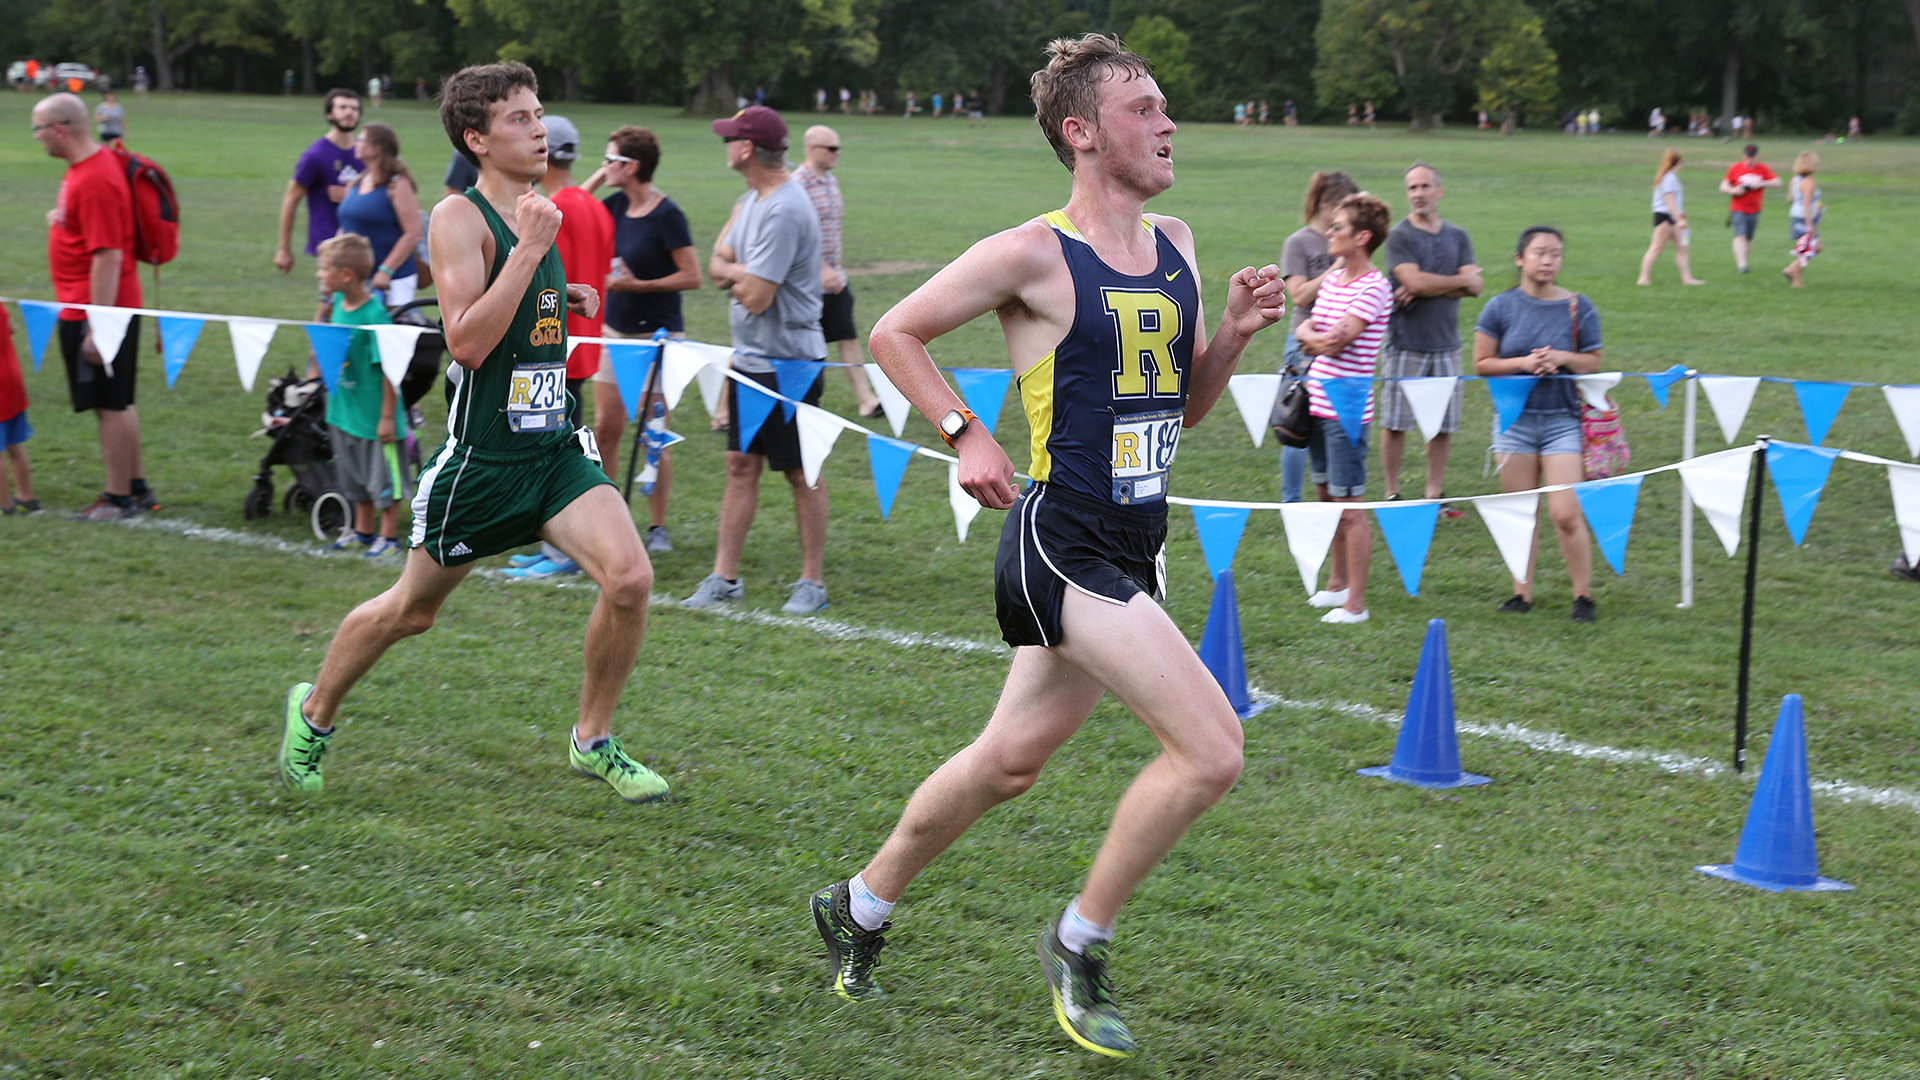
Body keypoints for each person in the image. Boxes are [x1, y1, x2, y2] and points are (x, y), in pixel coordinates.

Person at [808, 35, 1284, 1058]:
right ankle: (1080, 943)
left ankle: (858, 904)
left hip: (1136, 540)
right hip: (1061, 539)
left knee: (1007, 762)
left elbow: (1187, 412)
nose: (1168, 124)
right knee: (1211, 751)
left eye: (1165, 107)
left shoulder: (1180, 242)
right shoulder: (1032, 251)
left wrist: (1235, 332)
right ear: (1081, 132)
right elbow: (896, 331)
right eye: (1144, 108)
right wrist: (962, 432)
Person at [274, 61, 669, 805]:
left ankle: (593, 740)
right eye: (520, 117)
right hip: (483, 464)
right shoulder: (460, 216)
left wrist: (561, 289)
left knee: (629, 579)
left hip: (552, 448)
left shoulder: (534, 208)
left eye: (540, 111)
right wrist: (528, 253)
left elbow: (518, 313)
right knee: (411, 612)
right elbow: (466, 342)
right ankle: (314, 712)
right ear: (477, 137)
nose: (540, 127)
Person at [680, 105, 831, 616]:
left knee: (800, 471)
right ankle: (725, 578)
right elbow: (715, 264)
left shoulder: (786, 208)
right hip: (749, 361)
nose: (724, 145)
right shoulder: (750, 200)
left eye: (730, 138)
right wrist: (739, 272)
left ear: (746, 148)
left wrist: (736, 273)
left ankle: (812, 583)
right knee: (739, 465)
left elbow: (759, 296)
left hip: (790, 365)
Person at [503, 115, 621, 578]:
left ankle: (565, 552)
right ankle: (553, 544)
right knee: (556, 445)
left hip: (552, 346)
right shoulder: (595, 206)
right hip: (584, 346)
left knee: (554, 453)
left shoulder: (550, 211)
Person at [32, 92, 155, 521]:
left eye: (39, 129)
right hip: (98, 308)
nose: (37, 138)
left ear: (59, 129)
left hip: (100, 310)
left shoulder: (95, 179)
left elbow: (108, 256)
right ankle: (136, 488)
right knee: (117, 400)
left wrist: (96, 326)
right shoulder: (86, 170)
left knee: (109, 405)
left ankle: (116, 498)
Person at [579, 124, 702, 552]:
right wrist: (600, 175)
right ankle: (611, 519)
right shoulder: (611, 205)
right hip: (612, 334)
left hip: (659, 339)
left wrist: (638, 287)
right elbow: (570, 207)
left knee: (653, 434)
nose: (604, 166)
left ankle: (657, 526)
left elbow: (692, 276)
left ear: (632, 167)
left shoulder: (667, 215)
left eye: (611, 160)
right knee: (605, 429)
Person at [1472, 225, 1601, 622]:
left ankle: (1583, 596)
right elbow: (1482, 363)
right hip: (1515, 424)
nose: (1548, 260)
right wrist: (1524, 364)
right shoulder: (1500, 307)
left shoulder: (1580, 307)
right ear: (1520, 259)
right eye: (1540, 252)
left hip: (1563, 420)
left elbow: (1593, 361)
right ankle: (1521, 594)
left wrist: (1560, 357)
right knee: (1521, 512)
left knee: (1565, 512)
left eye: (1555, 254)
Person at [1296, 192, 1393, 624]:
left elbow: (1336, 339)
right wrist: (1317, 336)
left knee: (1350, 506)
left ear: (1363, 238)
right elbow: (1310, 328)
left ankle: (1357, 603)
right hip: (1316, 400)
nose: (1330, 233)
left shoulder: (1375, 286)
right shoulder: (1335, 280)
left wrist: (1315, 337)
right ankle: (1337, 585)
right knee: (1325, 495)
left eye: (1339, 228)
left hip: (1347, 407)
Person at [1378, 162, 1479, 508]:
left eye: (1425, 186)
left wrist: (1425, 286)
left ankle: (1434, 493)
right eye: (1412, 188)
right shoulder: (1400, 236)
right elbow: (1414, 281)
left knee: (1443, 424)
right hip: (1405, 342)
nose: (1419, 194)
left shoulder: (1458, 236)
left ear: (1439, 190)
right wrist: (1452, 282)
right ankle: (1392, 492)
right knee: (1395, 422)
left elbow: (1476, 286)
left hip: (1447, 344)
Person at [314, 234, 403, 557]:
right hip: (344, 410)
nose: (319, 275)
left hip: (374, 414)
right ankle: (363, 533)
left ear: (346, 275)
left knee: (383, 479)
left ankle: (389, 538)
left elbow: (389, 370)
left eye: (324, 269)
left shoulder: (374, 316)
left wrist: (387, 417)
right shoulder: (337, 304)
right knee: (354, 478)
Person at [1277, 169, 1360, 503]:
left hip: (1342, 347)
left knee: (1334, 427)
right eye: (1344, 206)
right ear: (1327, 203)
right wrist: (1335, 268)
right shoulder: (1299, 243)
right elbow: (1298, 295)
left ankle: (1329, 496)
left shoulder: (1349, 241)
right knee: (1297, 427)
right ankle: (1291, 502)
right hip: (1304, 348)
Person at [796, 125, 883, 418]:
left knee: (847, 336)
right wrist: (820, 268)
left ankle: (866, 399)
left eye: (838, 148)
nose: (837, 153)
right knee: (783, 347)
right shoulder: (798, 185)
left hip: (834, 280)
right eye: (831, 148)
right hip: (805, 284)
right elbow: (799, 235)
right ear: (811, 149)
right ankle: (724, 410)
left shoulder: (829, 181)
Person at [275, 88, 363, 319]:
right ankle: (318, 355)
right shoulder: (315, 155)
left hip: (362, 244)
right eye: (343, 107)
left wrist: (351, 194)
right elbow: (291, 198)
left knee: (358, 306)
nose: (349, 113)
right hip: (329, 245)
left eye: (354, 108)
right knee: (329, 305)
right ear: (330, 115)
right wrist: (284, 248)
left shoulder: (365, 152)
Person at [336, 122, 423, 308]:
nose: (356, 143)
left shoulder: (397, 185)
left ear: (377, 149)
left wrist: (386, 270)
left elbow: (413, 232)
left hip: (392, 281)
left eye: (361, 139)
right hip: (355, 278)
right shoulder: (356, 184)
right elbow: (345, 227)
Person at [1637, 149, 1705, 286]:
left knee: (1682, 248)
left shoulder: (1670, 177)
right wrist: (1679, 220)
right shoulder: (1669, 178)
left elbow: (1673, 201)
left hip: (1671, 216)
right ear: (1678, 162)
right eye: (1682, 161)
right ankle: (1643, 279)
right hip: (1665, 217)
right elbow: (1669, 199)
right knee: (1656, 248)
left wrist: (1680, 214)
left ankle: (1687, 279)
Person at [0, 305, 39, 515]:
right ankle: (27, 496)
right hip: (11, 378)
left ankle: (4, 505)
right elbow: (11, 328)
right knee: (14, 443)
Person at [1718, 143, 1780, 273]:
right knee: (1739, 236)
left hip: (1754, 209)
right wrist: (1734, 191)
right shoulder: (1735, 168)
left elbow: (1778, 182)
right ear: (1743, 155)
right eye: (1747, 156)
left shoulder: (1762, 169)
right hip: (1738, 207)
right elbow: (1723, 186)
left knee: (1749, 239)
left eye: (1752, 156)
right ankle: (1742, 265)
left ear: (1756, 156)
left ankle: (1744, 261)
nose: (1750, 159)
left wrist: (1760, 184)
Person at [1781, 151, 1822, 288]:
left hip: (1796, 216)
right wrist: (1809, 225)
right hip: (1805, 219)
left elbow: (1790, 199)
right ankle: (1796, 281)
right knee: (1807, 248)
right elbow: (1806, 203)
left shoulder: (1794, 180)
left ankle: (1792, 270)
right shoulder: (1809, 182)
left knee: (1813, 247)